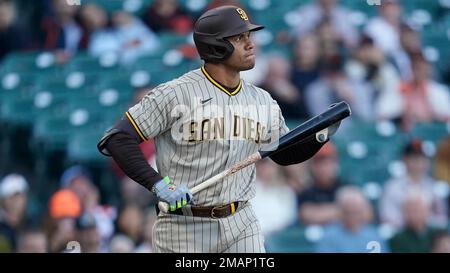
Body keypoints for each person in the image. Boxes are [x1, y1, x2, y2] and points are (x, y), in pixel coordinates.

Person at [97, 5, 341, 253]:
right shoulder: (175, 93)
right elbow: (117, 138)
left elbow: (281, 153)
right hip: (185, 225)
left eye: (249, 36)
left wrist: (320, 137)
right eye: (239, 38)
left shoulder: (263, 100)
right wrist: (158, 183)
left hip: (241, 221)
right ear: (216, 46)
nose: (250, 44)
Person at [379, 139, 448, 229]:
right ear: (404, 159)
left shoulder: (433, 186)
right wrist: (413, 221)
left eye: (423, 158)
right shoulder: (392, 187)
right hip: (403, 235)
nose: (419, 163)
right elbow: (387, 217)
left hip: (429, 235)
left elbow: (442, 218)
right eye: (414, 158)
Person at [316, 186, 388, 253]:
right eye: (347, 212)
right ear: (340, 212)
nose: (352, 217)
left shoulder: (374, 236)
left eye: (355, 212)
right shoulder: (329, 236)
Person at [297, 142, 344, 225]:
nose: (323, 168)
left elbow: (365, 214)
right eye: (319, 164)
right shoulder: (306, 191)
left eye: (328, 163)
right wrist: (340, 210)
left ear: (336, 164)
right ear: (312, 166)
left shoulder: (345, 187)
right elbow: (306, 215)